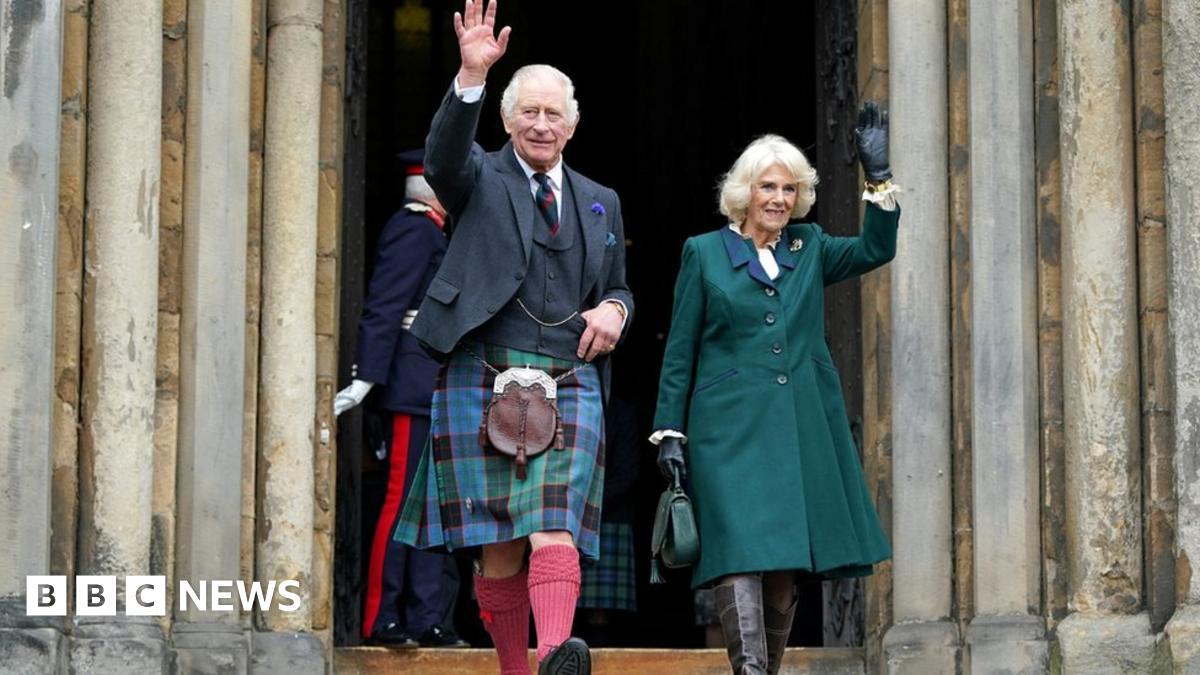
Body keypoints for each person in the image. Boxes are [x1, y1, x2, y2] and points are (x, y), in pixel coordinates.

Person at [393, 1, 633, 673]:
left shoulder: (599, 199)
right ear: (505, 119)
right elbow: (442, 158)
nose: (541, 123)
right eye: (528, 110)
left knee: (553, 522)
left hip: (568, 377)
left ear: (574, 124)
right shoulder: (479, 175)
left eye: (554, 112)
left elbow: (618, 285)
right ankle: (515, 669)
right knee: (499, 545)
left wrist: (615, 308)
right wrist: (471, 73)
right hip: (484, 365)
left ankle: (556, 654)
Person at [651, 104, 898, 675]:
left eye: (790, 189)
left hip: (795, 428)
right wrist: (669, 431)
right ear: (745, 191)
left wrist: (879, 177)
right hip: (726, 432)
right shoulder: (704, 252)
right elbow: (680, 348)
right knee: (737, 551)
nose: (779, 199)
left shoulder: (807, 247)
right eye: (768, 186)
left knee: (784, 564)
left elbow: (874, 250)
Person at [333, 150, 467, 649]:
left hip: (433, 386)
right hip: (411, 387)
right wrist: (367, 378)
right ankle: (381, 617)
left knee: (432, 509)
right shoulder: (415, 229)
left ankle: (425, 616)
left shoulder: (435, 232)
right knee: (399, 505)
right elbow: (385, 306)